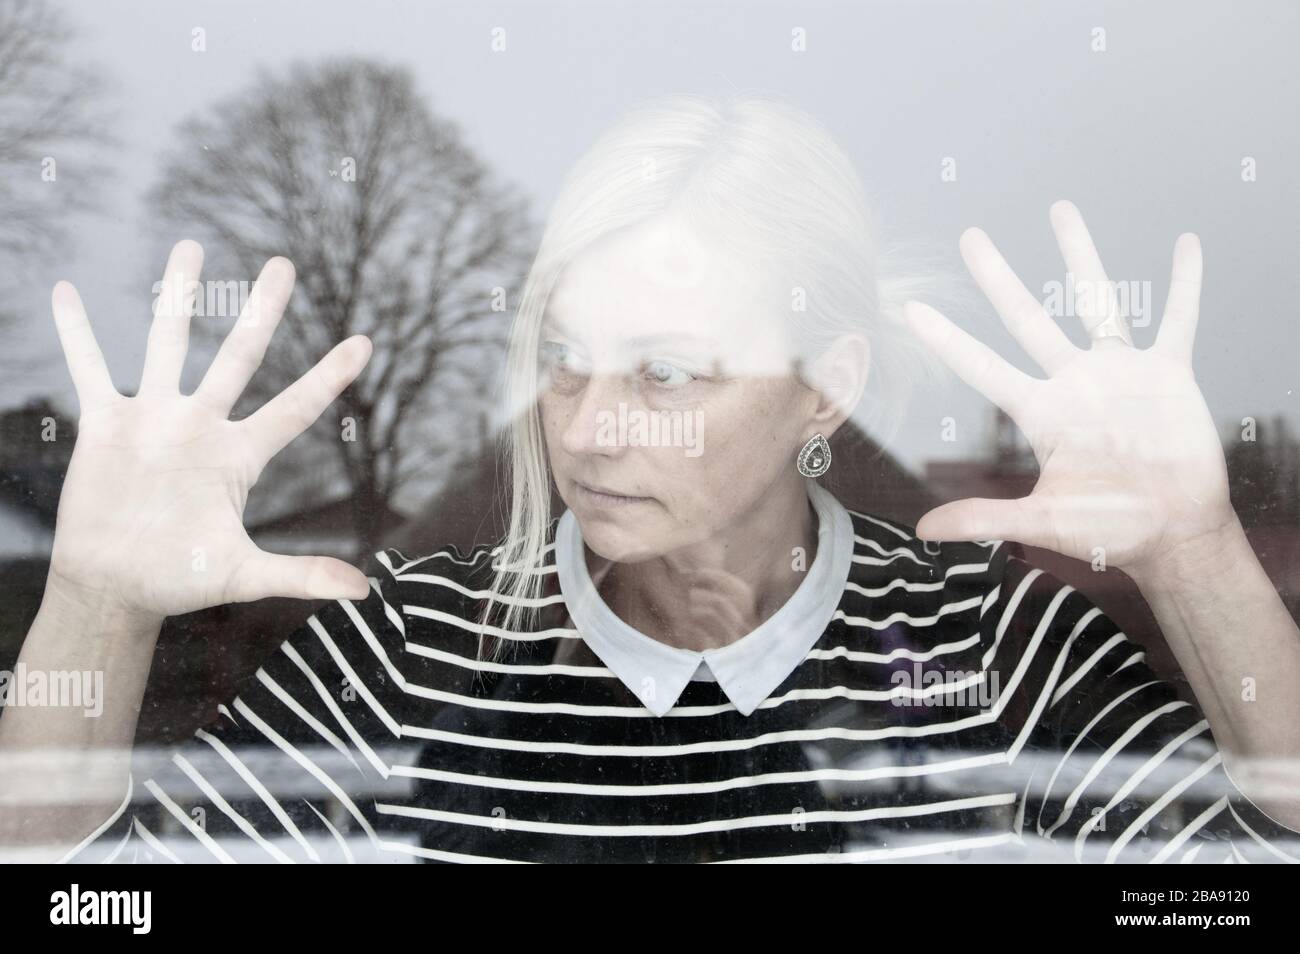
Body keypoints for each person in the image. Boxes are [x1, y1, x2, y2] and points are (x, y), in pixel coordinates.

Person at [2, 93, 1299, 863]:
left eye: (671, 372)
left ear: (822, 385)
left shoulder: (995, 655)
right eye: (566, 358)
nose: (593, 427)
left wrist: (1197, 554)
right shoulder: (408, 658)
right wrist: (97, 602)